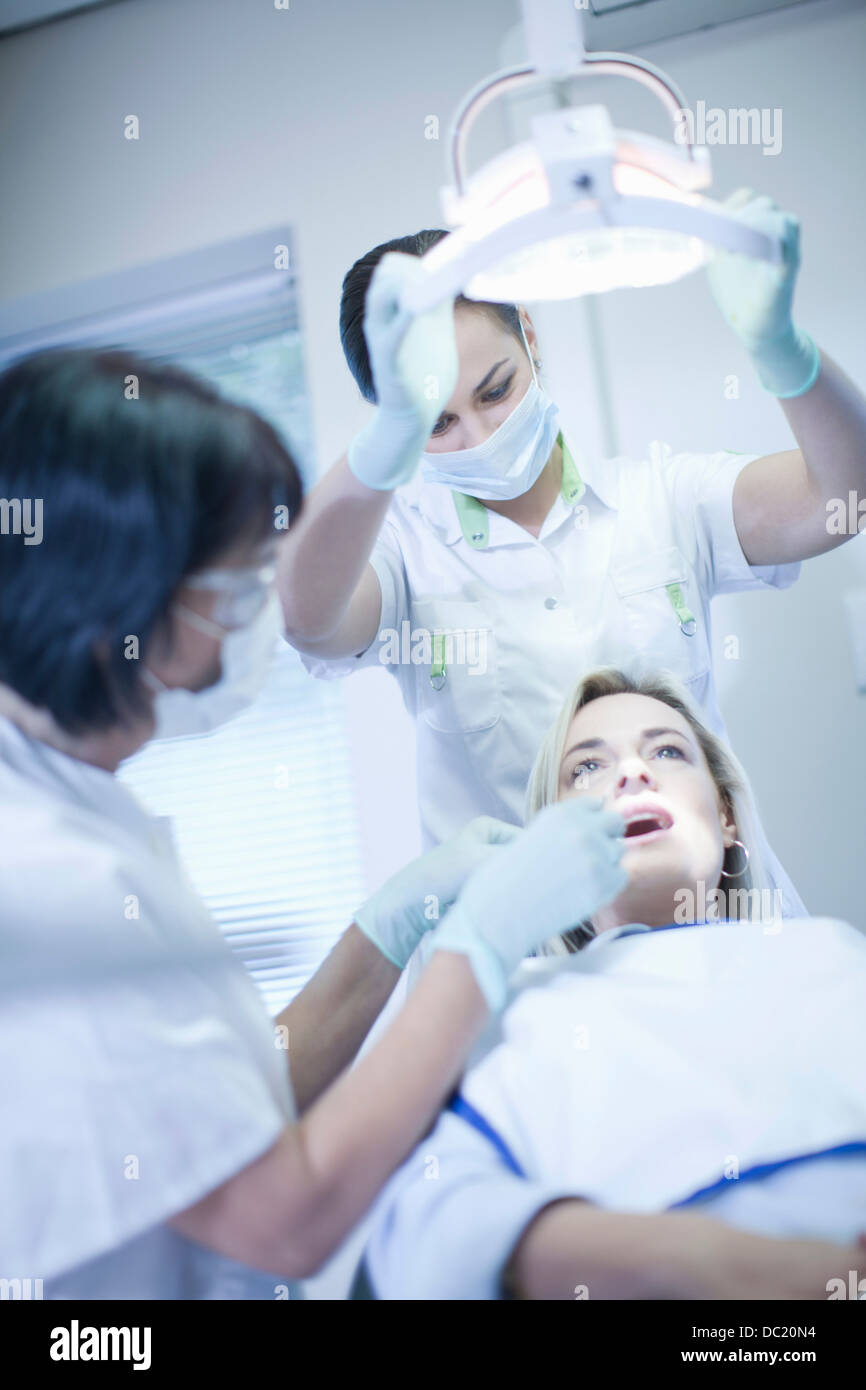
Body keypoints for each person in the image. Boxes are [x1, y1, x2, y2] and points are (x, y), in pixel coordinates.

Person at [0, 347, 634, 1299]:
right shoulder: (46, 876)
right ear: (112, 609)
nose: (261, 623)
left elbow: (230, 1109)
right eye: (237, 594)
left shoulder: (75, 793)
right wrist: (479, 948)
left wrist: (393, 927)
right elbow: (280, 1215)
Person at [277, 191, 866, 920]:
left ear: (529, 334)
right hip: (533, 983)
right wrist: (383, 444)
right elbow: (307, 619)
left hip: (727, 939)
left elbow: (845, 499)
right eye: (437, 424)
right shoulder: (405, 560)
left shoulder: (663, 500)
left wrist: (782, 347)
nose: (481, 436)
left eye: (497, 391)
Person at [362, 668, 866, 1300]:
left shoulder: (832, 955)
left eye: (667, 751)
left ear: (727, 814)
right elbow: (422, 1241)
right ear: (553, 838)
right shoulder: (515, 1011)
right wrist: (712, 1267)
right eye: (588, 770)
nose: (632, 774)